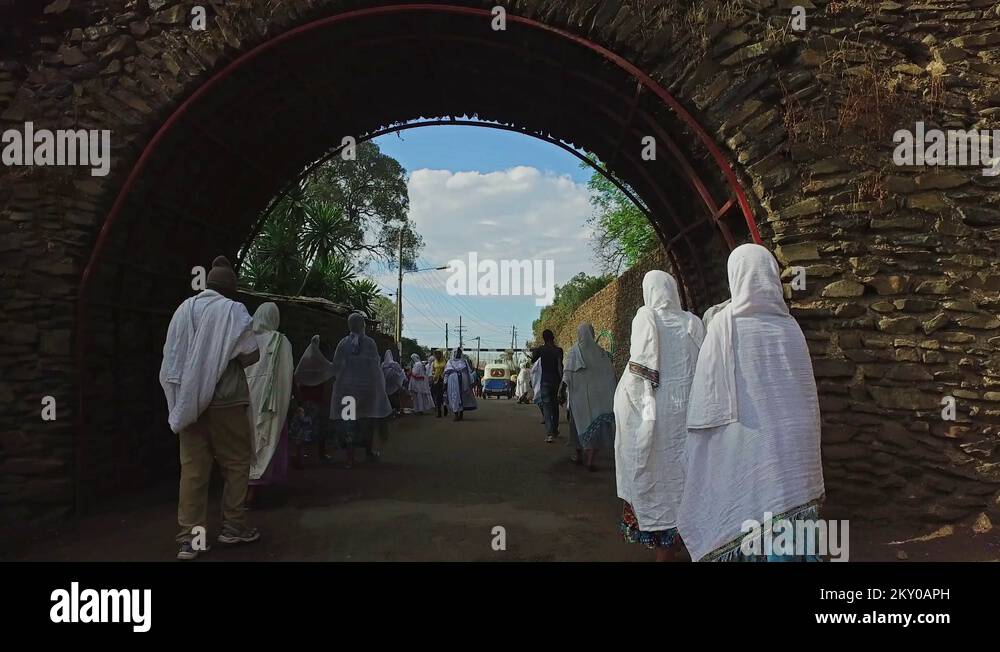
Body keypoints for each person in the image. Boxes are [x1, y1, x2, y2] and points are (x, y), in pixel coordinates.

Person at [679, 244, 825, 562]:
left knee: (755, 520)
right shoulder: (791, 327)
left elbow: (707, 401)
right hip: (795, 450)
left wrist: (700, 449)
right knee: (791, 533)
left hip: (748, 441)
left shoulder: (723, 326)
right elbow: (805, 396)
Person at [159, 255, 261, 560]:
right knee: (236, 462)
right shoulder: (233, 311)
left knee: (193, 469)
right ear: (230, 289)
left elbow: (173, 354)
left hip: (189, 401)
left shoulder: (183, 310)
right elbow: (251, 355)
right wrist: (221, 354)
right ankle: (233, 527)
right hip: (226, 399)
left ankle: (189, 539)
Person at [614, 270, 705, 562]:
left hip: (657, 420)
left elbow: (638, 375)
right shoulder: (693, 322)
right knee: (690, 483)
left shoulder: (646, 317)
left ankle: (665, 554)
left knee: (661, 482)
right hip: (690, 417)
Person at [244, 302, 293, 509]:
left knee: (247, 440)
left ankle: (244, 492)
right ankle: (253, 492)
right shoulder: (280, 341)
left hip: (246, 399)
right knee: (266, 437)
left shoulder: (246, 340)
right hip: (269, 404)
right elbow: (286, 375)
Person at [329, 313, 393, 467]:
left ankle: (349, 458)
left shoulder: (343, 343)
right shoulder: (370, 343)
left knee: (349, 423)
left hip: (347, 391)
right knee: (367, 421)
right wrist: (379, 389)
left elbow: (336, 366)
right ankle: (369, 453)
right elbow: (375, 368)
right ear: (363, 325)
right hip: (367, 391)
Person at [562, 323, 616, 472]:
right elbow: (611, 374)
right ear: (592, 333)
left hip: (579, 400)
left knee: (577, 425)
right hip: (598, 399)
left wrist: (562, 391)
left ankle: (579, 455)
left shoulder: (574, 352)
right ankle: (590, 460)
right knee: (596, 427)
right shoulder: (601, 353)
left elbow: (566, 376)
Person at [292, 335, 334, 467]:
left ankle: (299, 456)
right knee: (320, 429)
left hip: (304, 400)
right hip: (317, 401)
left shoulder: (305, 361)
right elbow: (327, 382)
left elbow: (296, 378)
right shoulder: (322, 364)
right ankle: (320, 455)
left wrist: (298, 399)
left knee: (302, 429)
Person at [531, 329, 563, 443]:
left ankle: (549, 434)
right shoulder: (559, 350)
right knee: (555, 407)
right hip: (556, 381)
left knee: (547, 407)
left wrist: (535, 351)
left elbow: (533, 360)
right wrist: (562, 382)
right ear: (553, 337)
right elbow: (560, 367)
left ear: (544, 339)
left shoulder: (541, 350)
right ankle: (555, 430)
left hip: (545, 382)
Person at [443, 347, 477, 420]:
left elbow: (468, 372)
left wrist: (471, 382)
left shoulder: (464, 361)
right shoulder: (450, 362)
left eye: (459, 352)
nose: (458, 354)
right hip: (453, 381)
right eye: (457, 352)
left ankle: (461, 413)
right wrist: (445, 382)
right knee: (454, 396)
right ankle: (456, 414)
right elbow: (446, 373)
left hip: (464, 381)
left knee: (463, 396)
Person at [381, 350, 406, 417]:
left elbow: (381, 374)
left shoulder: (383, 364)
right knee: (395, 398)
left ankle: (390, 412)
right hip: (394, 385)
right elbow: (400, 372)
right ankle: (396, 411)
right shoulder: (394, 364)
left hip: (386, 384)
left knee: (389, 399)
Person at [430, 349, 448, 418]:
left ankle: (445, 406)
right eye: (436, 354)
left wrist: (444, 377)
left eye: (438, 354)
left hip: (443, 380)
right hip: (436, 381)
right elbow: (433, 370)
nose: (437, 356)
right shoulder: (434, 362)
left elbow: (446, 370)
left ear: (441, 354)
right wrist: (434, 375)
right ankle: (439, 412)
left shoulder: (445, 361)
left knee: (443, 396)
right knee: (437, 397)